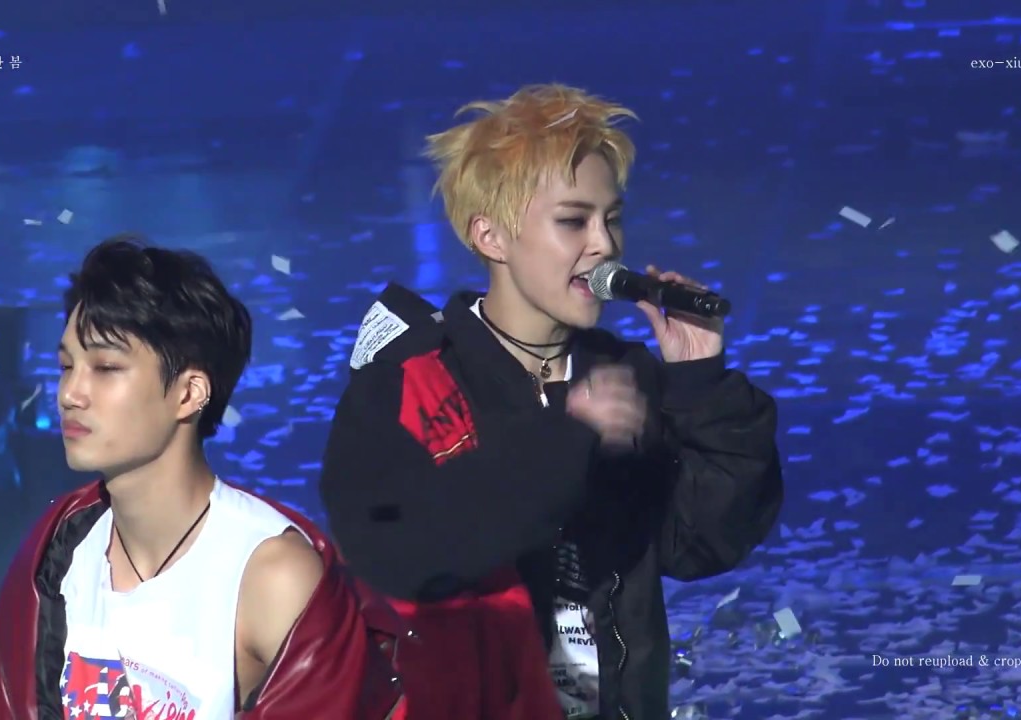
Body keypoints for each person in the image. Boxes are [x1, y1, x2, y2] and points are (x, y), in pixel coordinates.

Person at [319, 84, 784, 720]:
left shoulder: (621, 376)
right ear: (491, 236)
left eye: (611, 218)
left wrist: (700, 382)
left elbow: (702, 542)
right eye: (573, 221)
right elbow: (409, 554)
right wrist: (565, 439)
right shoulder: (410, 382)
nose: (604, 245)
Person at [0, 237, 406, 720]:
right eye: (66, 366)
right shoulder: (56, 549)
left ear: (189, 393)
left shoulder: (270, 575)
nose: (70, 393)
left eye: (106, 367)